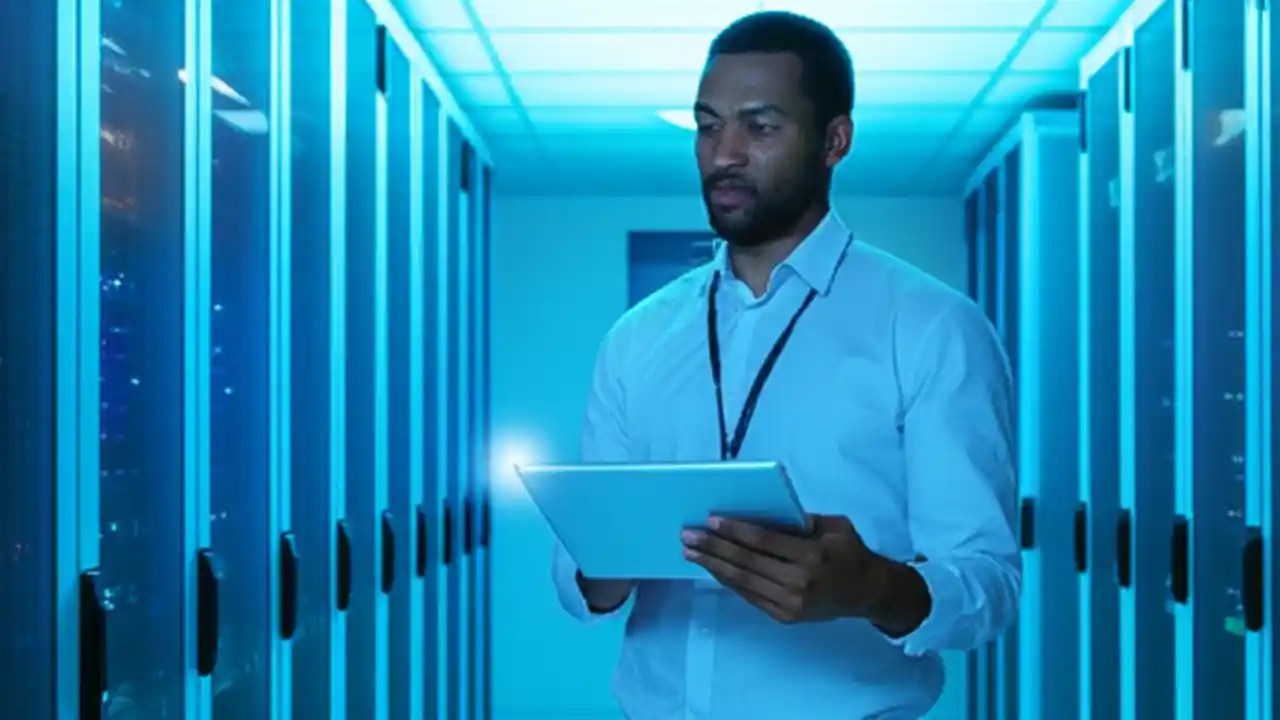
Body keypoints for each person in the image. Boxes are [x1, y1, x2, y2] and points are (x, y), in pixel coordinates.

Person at [551, 10, 1021, 719]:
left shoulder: (930, 327)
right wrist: (599, 566)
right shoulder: (636, 338)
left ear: (835, 141)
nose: (722, 154)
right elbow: (580, 573)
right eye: (708, 126)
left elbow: (989, 586)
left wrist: (873, 588)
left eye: (759, 126)